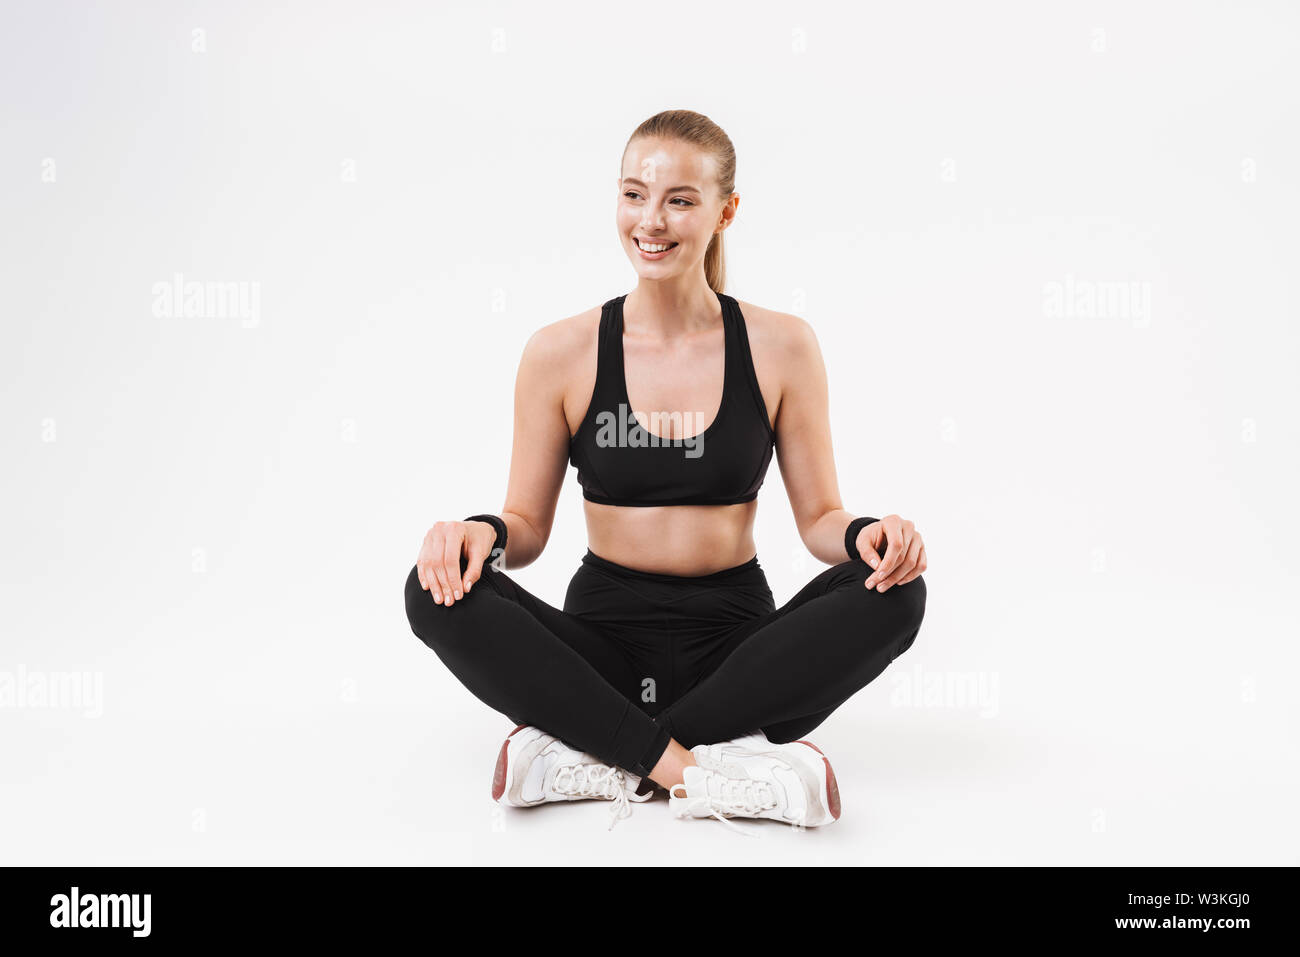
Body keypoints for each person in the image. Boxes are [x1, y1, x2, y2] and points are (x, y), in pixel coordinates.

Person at [403, 109, 927, 831]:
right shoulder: (560, 351)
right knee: (433, 592)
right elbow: (524, 527)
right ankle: (697, 768)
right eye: (633, 194)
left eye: (681, 199)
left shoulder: (782, 345)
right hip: (601, 647)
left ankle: (599, 748)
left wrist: (873, 534)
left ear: (725, 211)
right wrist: (476, 533)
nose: (651, 220)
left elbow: (819, 520)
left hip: (739, 649)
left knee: (897, 595)